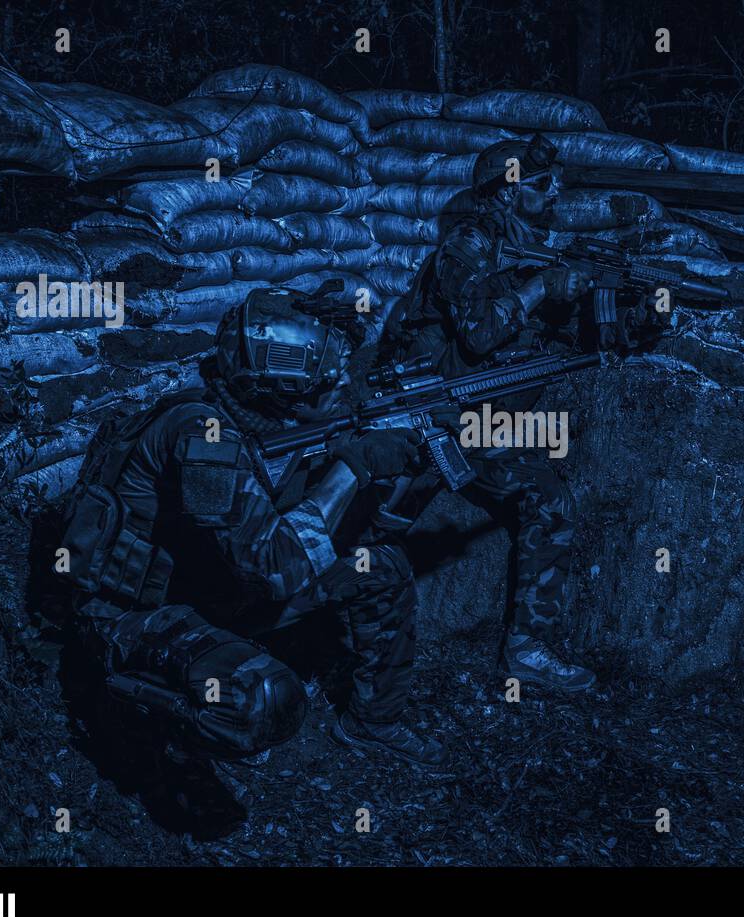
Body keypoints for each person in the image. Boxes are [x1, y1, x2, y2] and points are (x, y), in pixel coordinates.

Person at [60, 287, 446, 778]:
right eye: (330, 373)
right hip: (137, 616)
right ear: (283, 380)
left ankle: (373, 721)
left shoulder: (275, 428)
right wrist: (352, 469)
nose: (346, 380)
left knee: (382, 567)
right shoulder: (203, 434)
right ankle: (147, 737)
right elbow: (277, 569)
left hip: (218, 592)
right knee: (258, 699)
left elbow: (345, 534)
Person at [377, 134, 603, 693]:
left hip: (478, 410)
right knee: (379, 524)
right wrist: (538, 291)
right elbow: (478, 335)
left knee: (546, 495)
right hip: (432, 412)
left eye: (556, 183)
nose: (556, 193)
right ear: (506, 193)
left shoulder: (529, 247)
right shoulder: (468, 246)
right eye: (541, 185)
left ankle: (525, 649)